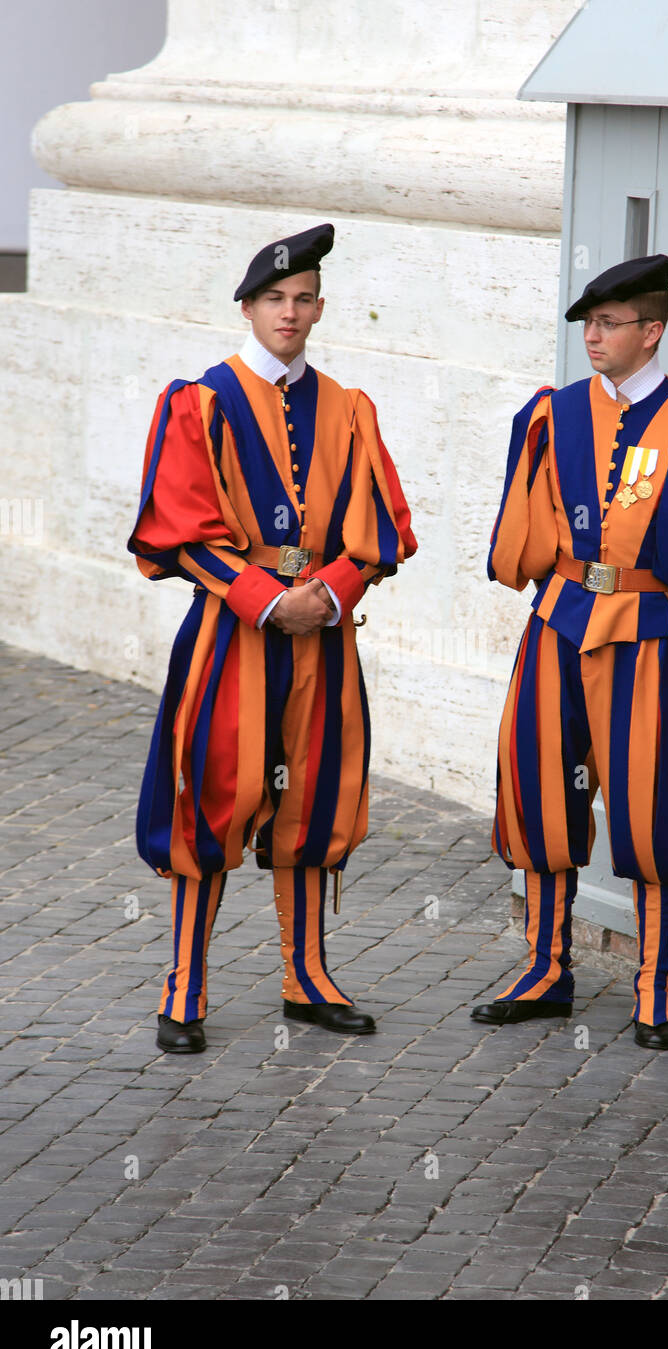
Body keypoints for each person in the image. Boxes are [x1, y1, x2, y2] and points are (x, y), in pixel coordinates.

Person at [128, 224, 416, 1053]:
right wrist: (266, 598)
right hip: (233, 636)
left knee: (315, 800)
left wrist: (330, 592)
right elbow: (176, 530)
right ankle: (185, 985)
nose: (289, 313)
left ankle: (308, 977)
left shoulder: (349, 410)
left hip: (323, 636)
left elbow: (383, 531)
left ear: (320, 308)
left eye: (303, 299)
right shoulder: (201, 401)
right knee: (214, 797)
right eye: (274, 300)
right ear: (248, 308)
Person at [472, 254, 668, 1049]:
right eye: (589, 325)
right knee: (539, 788)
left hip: (644, 629)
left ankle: (653, 985)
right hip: (560, 618)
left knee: (653, 803)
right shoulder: (556, 413)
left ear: (652, 330)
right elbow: (522, 539)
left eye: (608, 324)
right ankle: (544, 969)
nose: (592, 337)